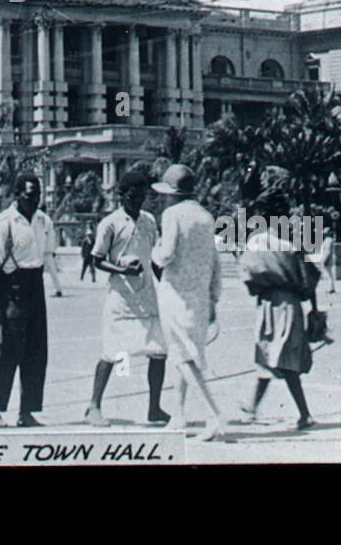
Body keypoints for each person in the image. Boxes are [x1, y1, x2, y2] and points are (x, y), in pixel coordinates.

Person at [85, 169, 170, 427]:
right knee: (111, 353)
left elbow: (154, 258)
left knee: (159, 352)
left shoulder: (149, 221)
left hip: (147, 297)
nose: (137, 201)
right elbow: (97, 259)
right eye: (132, 196)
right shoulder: (110, 223)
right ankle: (93, 407)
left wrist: (167, 283)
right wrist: (122, 270)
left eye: (141, 197)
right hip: (121, 299)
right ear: (121, 196)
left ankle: (154, 408)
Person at [150, 164, 223, 440]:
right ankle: (178, 415)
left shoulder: (172, 215)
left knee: (182, 356)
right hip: (200, 297)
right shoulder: (205, 216)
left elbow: (166, 254)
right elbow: (215, 261)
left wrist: (153, 253)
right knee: (184, 353)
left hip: (175, 295)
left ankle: (213, 415)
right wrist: (213, 297)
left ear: (172, 193)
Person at [238, 188, 318, 430]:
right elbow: (310, 278)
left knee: (275, 355)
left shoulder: (257, 242)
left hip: (270, 303)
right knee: (274, 356)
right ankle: (253, 407)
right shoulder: (293, 244)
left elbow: (249, 276)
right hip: (292, 304)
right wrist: (314, 308)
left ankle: (304, 413)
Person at [0, 173, 49, 428]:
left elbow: (45, 255)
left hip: (35, 285)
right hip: (12, 287)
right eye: (30, 195)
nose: (35, 200)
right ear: (16, 195)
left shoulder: (43, 221)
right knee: (9, 351)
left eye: (38, 195)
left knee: (36, 351)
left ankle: (26, 411)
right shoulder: (4, 223)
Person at [35, 206, 64, 297]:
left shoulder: (41, 217)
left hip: (42, 249)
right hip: (48, 249)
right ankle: (58, 289)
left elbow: (44, 233)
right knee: (52, 271)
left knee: (37, 269)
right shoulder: (48, 219)